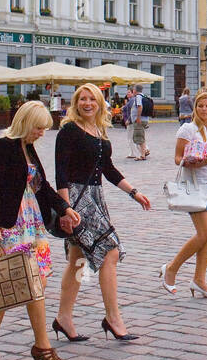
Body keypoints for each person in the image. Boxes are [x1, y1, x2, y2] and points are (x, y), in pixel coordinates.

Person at [0, 100, 82, 360]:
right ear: (25, 122)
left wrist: (65, 208)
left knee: (32, 283)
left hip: (31, 224)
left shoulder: (28, 149)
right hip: (7, 224)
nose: (41, 133)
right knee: (12, 286)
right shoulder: (2, 147)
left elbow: (42, 189)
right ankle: (39, 346)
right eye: (38, 128)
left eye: (44, 129)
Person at [53, 83, 152, 342]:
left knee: (78, 258)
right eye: (82, 99)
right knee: (110, 250)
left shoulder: (99, 130)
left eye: (92, 99)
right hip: (75, 199)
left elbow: (107, 169)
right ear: (75, 103)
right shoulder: (68, 131)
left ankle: (63, 318)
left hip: (96, 197)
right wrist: (65, 209)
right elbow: (60, 173)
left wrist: (133, 192)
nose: (87, 103)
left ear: (99, 103)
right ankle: (113, 317)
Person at [160, 87, 207, 298]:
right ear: (195, 108)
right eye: (200, 105)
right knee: (205, 233)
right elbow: (178, 158)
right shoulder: (188, 129)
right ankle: (171, 269)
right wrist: (192, 162)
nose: (204, 109)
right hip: (194, 185)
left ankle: (199, 279)